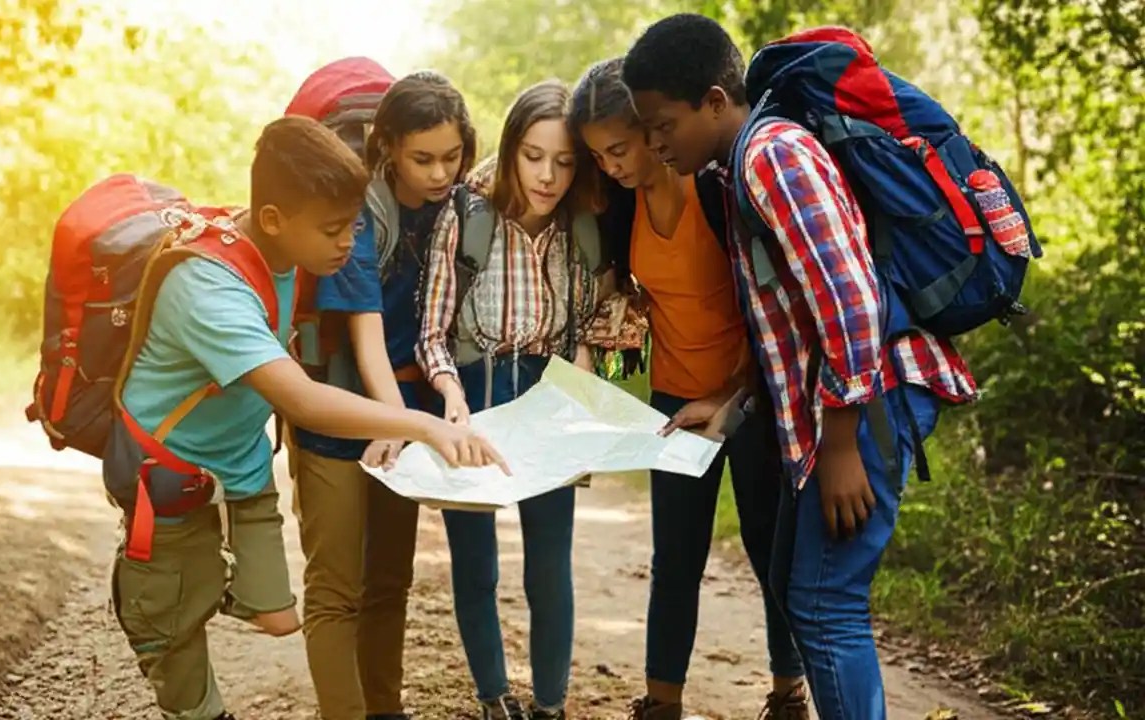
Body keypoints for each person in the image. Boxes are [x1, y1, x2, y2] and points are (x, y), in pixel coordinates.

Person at [623, 14, 978, 720]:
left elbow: (851, 305)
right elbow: (786, 323)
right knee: (796, 583)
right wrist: (731, 401)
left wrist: (840, 444)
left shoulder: (772, 158)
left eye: (663, 124)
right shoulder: (742, 165)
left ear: (716, 101)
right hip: (839, 406)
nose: (654, 144)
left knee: (824, 606)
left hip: (867, 403)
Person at [111, 115, 504, 720]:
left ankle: (200, 582)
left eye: (353, 223)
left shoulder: (287, 251)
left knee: (278, 618)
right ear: (273, 219)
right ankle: (158, 601)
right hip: (169, 478)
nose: (349, 242)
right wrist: (424, 425)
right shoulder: (209, 290)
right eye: (334, 229)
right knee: (174, 634)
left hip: (240, 471)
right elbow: (300, 399)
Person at [570, 57, 807, 720]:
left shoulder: (718, 188)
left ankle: (790, 694)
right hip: (673, 401)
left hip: (749, 397)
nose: (612, 164)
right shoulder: (620, 207)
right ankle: (660, 702)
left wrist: (735, 396)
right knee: (675, 558)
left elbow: (767, 305)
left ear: (650, 129)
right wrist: (608, 396)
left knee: (767, 548)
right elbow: (623, 309)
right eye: (599, 154)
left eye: (620, 147)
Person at [286, 69, 479, 720]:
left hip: (409, 414)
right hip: (336, 409)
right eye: (422, 158)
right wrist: (397, 423)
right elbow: (365, 338)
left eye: (451, 157)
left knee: (390, 582)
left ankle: (385, 709)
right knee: (338, 585)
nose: (438, 172)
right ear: (388, 145)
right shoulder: (359, 212)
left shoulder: (462, 212)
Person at [416, 79, 603, 720]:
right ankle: (495, 697)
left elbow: (602, 316)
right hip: (476, 395)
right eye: (533, 156)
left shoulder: (583, 224)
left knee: (549, 568)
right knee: (477, 565)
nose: (548, 176)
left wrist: (583, 363)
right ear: (511, 147)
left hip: (550, 398)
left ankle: (550, 704)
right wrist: (449, 396)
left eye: (564, 161)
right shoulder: (467, 216)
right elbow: (432, 333)